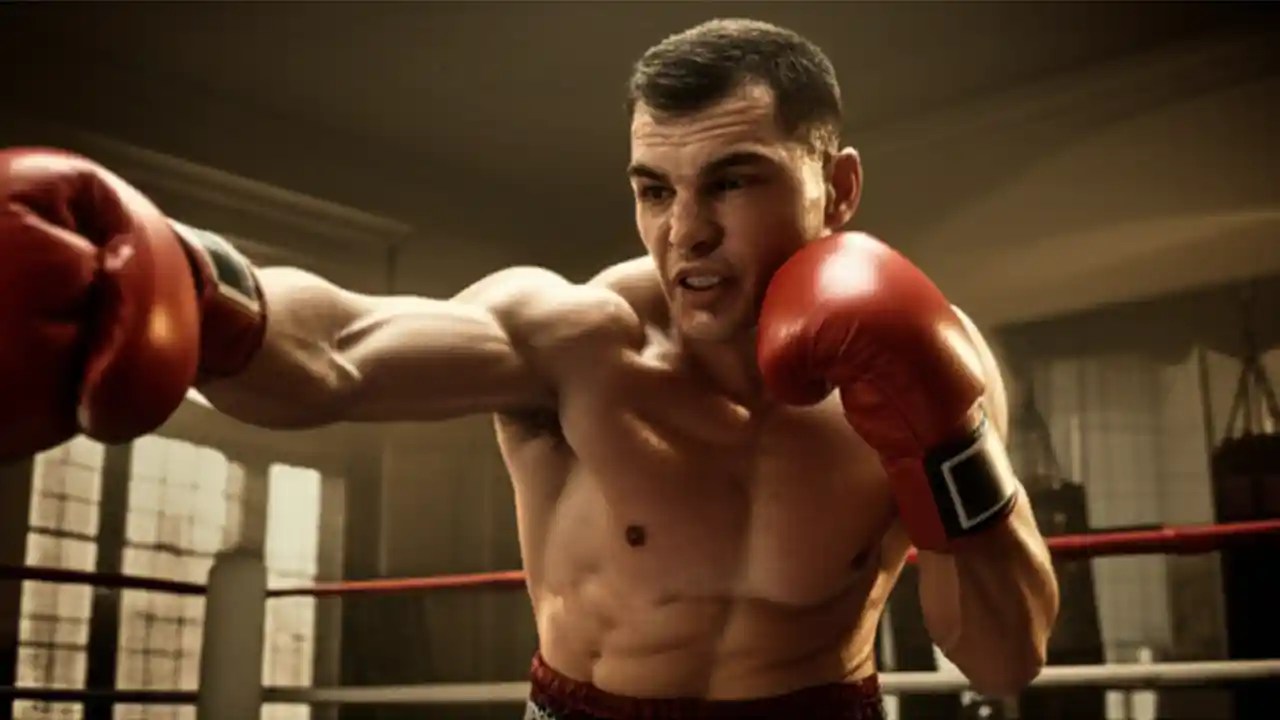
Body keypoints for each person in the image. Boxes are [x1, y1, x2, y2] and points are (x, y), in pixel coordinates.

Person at [0, 17, 1059, 720]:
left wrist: (941, 439)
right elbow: (340, 351)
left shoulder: (934, 363)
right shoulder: (576, 338)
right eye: (653, 189)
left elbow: (1003, 661)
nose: (682, 233)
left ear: (836, 187)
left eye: (730, 183)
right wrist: (183, 285)